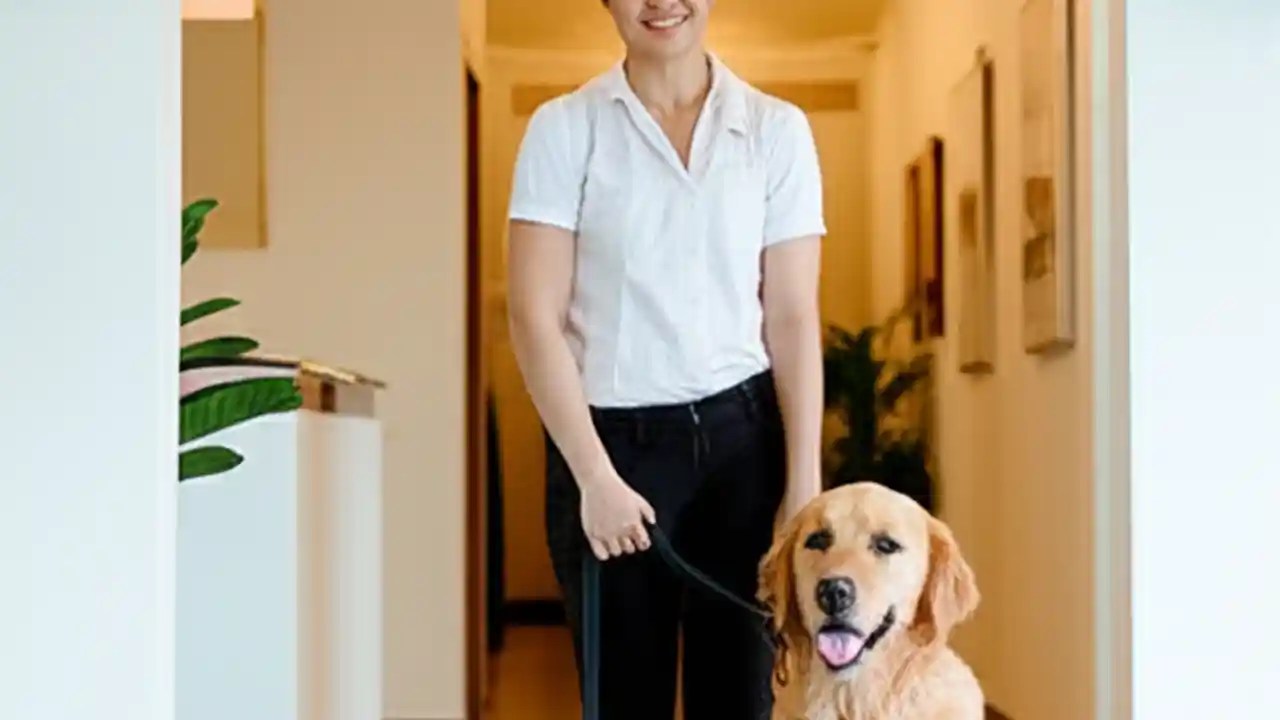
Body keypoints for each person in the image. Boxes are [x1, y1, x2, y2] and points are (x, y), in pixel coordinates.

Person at [505, 0, 825, 717]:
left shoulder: (776, 132)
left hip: (744, 448)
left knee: (739, 700)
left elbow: (794, 315)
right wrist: (594, 475)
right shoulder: (565, 129)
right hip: (611, 450)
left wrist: (802, 484)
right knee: (625, 701)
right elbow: (532, 315)